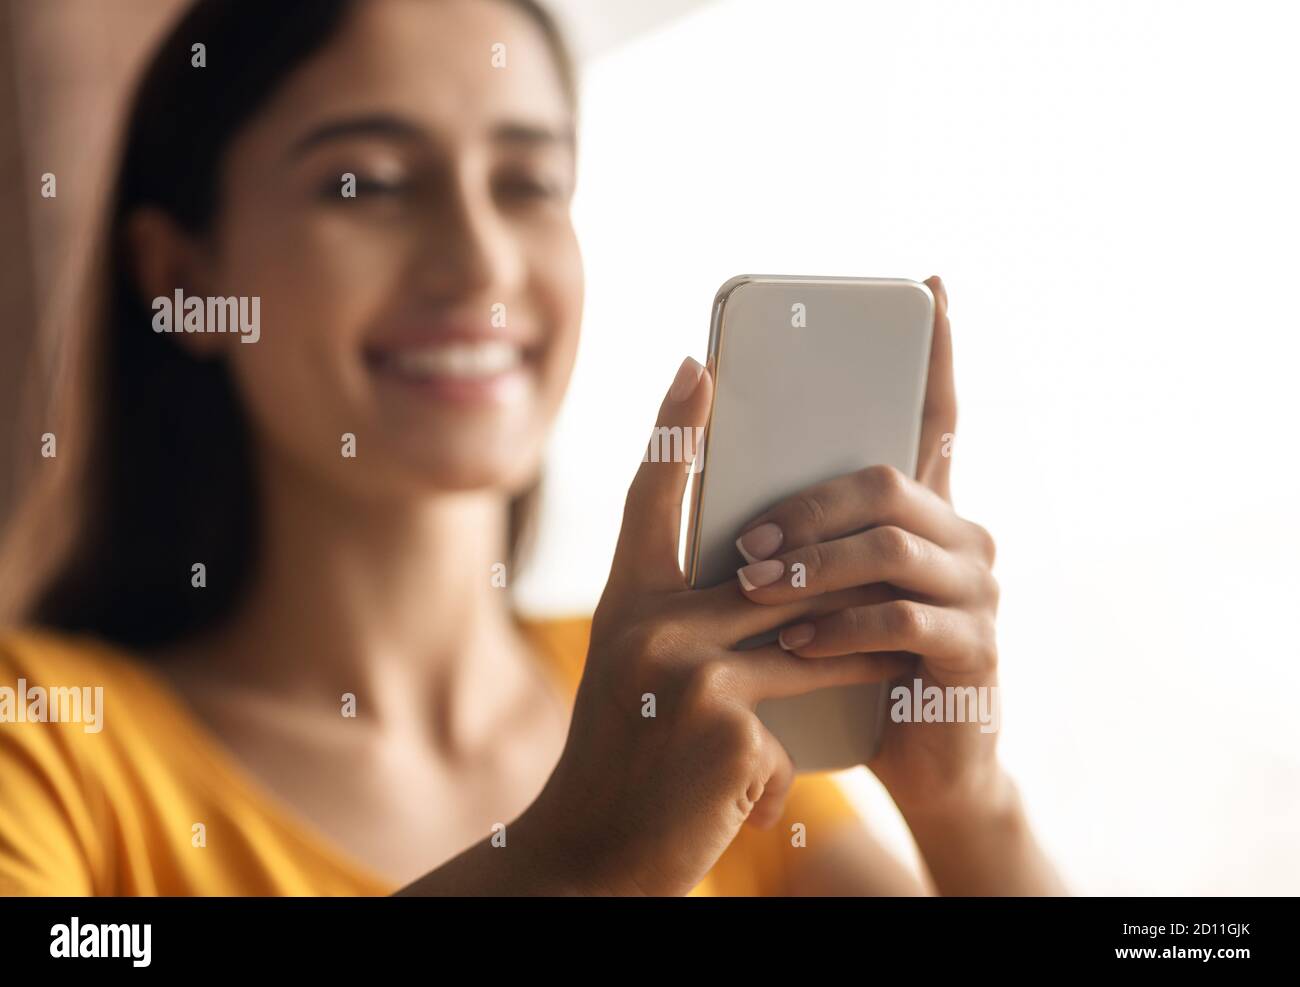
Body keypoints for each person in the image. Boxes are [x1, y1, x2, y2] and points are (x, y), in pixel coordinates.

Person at [0, 0, 1063, 896]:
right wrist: (581, 856)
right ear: (183, 279)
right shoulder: (43, 740)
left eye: (528, 183)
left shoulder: (696, 702)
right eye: (368, 184)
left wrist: (968, 807)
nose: (479, 263)